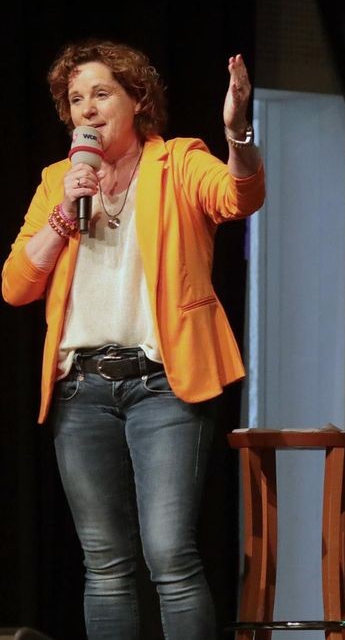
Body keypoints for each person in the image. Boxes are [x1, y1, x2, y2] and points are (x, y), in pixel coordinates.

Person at [2, 40, 264, 639]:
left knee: (169, 555)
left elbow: (239, 197)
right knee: (105, 565)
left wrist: (238, 133)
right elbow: (16, 286)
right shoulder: (56, 183)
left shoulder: (178, 162)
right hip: (82, 391)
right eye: (75, 100)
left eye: (101, 94)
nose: (87, 110)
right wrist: (66, 211)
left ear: (137, 99)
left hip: (164, 386)